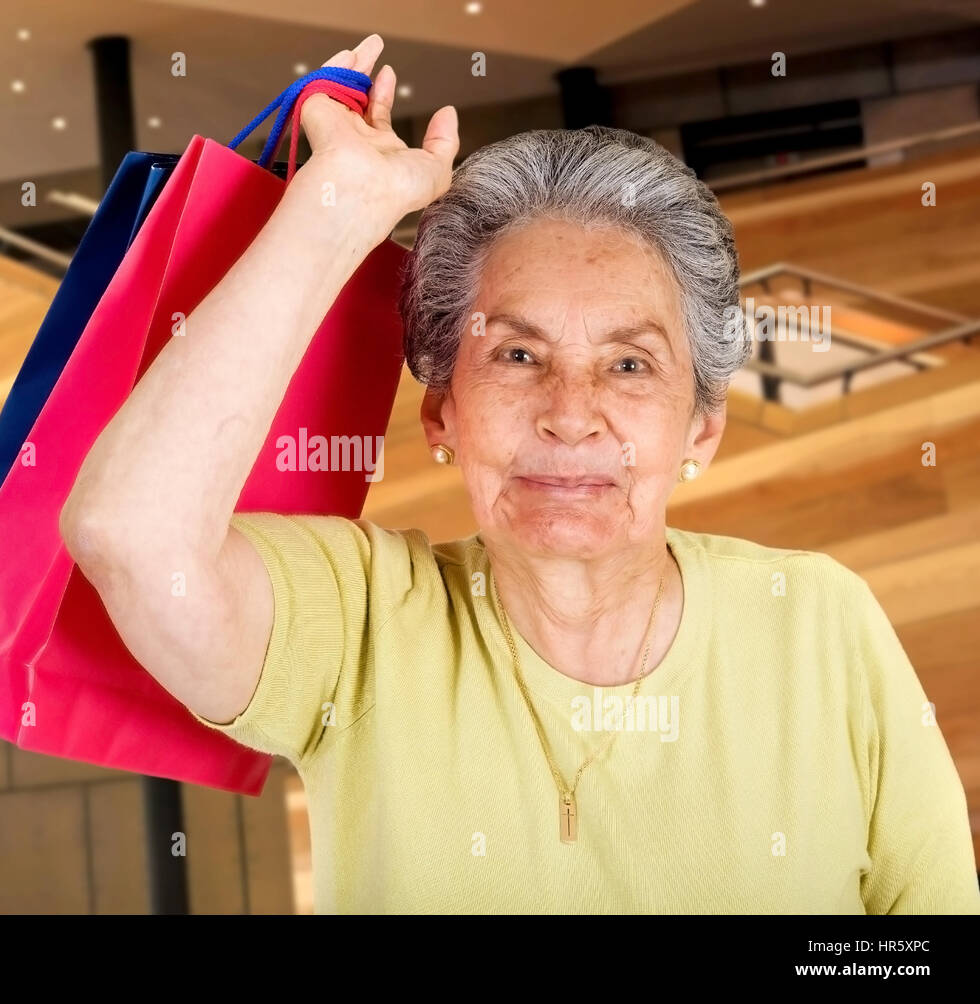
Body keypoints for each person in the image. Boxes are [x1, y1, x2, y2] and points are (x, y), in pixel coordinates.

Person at [60, 33, 980, 914]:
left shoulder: (818, 618)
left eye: (629, 364)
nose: (570, 413)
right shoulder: (362, 623)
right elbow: (132, 538)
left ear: (702, 427)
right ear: (442, 416)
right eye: (515, 356)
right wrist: (334, 207)